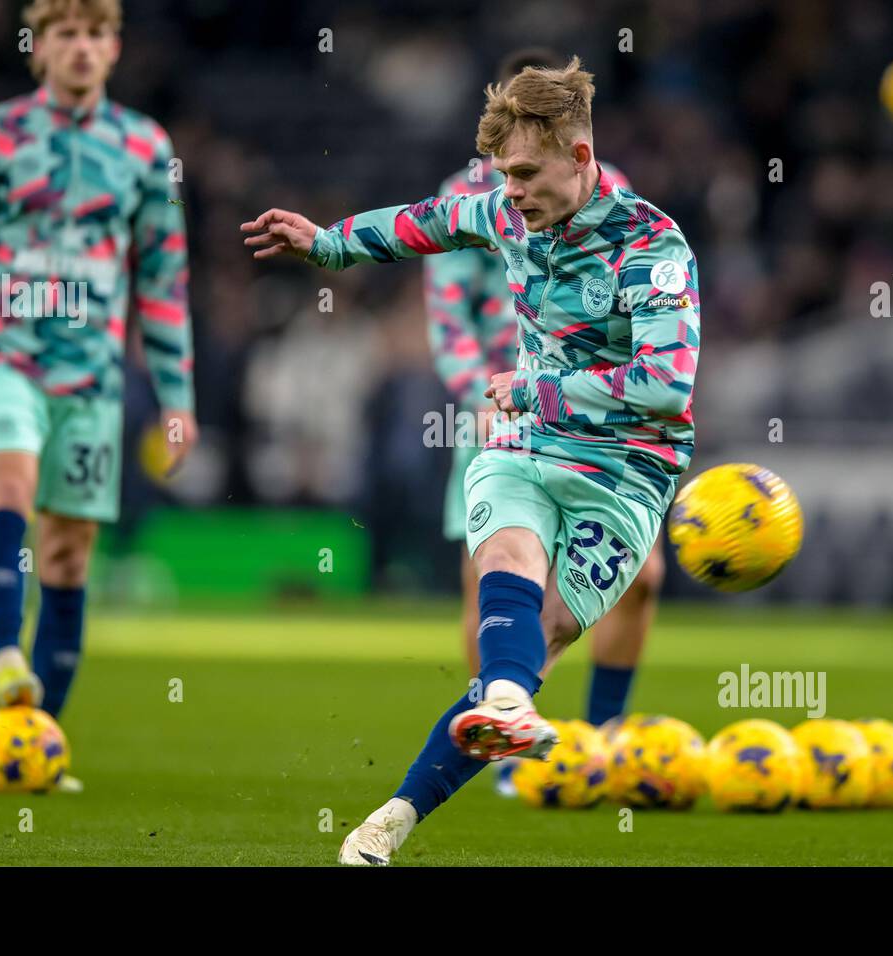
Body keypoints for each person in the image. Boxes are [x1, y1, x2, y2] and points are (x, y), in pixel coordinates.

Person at [241, 56, 698, 864]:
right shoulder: (503, 213)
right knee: (505, 561)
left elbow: (665, 386)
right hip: (521, 442)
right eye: (503, 175)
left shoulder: (653, 246)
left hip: (627, 470)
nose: (511, 191)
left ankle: (512, 715)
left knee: (549, 631)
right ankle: (389, 823)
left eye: (525, 173)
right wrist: (325, 244)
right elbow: (417, 224)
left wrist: (541, 390)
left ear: (582, 158)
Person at [0, 0, 196, 789]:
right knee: (5, 485)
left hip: (94, 378)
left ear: (114, 49)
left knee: (69, 555)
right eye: (64, 35)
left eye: (94, 35)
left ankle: (36, 739)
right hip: (2, 355)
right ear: (36, 49)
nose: (81, 48)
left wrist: (178, 398)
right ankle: (8, 650)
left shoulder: (147, 146)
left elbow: (163, 280)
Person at [423, 48, 665, 798]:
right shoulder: (468, 197)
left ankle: (601, 738)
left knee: (643, 575)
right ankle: (499, 735)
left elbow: (645, 320)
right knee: (491, 581)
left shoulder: (615, 196)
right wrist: (482, 394)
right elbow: (448, 318)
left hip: (595, 415)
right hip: (497, 411)